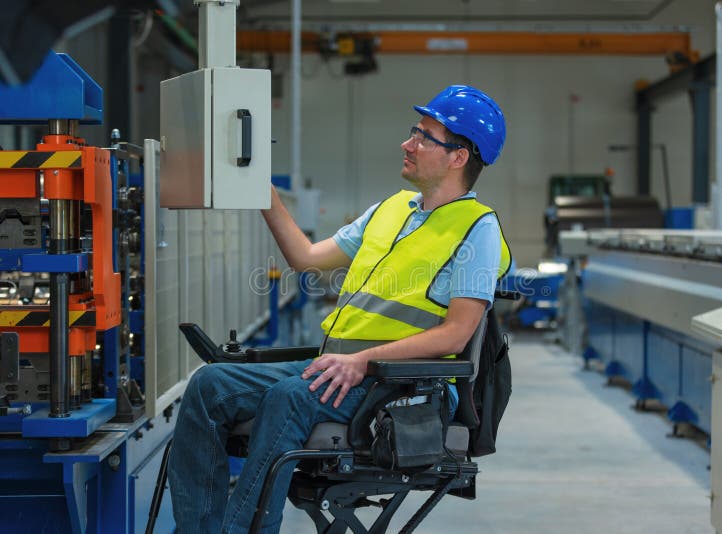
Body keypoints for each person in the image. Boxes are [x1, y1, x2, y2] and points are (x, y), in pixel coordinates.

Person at [167, 85, 512, 534]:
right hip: (341, 368)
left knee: (290, 398)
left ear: (458, 157)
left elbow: (456, 334)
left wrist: (362, 361)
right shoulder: (390, 210)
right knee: (210, 385)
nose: (408, 144)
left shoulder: (477, 230)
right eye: (414, 131)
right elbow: (306, 258)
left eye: (424, 136)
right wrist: (262, 192)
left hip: (408, 385)